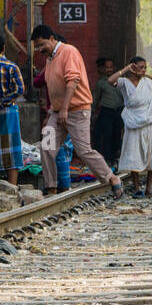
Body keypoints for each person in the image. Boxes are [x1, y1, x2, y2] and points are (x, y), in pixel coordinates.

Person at [31, 25, 125, 198]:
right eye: (37, 47)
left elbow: (72, 81)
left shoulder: (69, 52)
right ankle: (51, 187)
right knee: (47, 146)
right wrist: (55, 111)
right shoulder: (50, 58)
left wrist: (65, 108)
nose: (39, 49)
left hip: (77, 110)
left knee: (83, 151)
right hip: (57, 112)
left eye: (42, 44)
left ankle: (111, 178)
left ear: (52, 39)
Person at [110, 56, 152, 198]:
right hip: (132, 122)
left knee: (151, 155)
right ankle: (137, 188)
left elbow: (151, 103)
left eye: (145, 67)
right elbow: (110, 80)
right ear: (133, 67)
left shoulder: (148, 82)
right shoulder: (124, 83)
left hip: (149, 122)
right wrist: (125, 69)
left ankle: (149, 189)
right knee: (134, 155)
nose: (144, 70)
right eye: (140, 67)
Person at [91, 56, 124, 169]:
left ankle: (115, 158)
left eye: (111, 67)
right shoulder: (101, 83)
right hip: (107, 112)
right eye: (107, 68)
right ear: (103, 69)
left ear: (114, 68)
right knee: (107, 136)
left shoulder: (121, 81)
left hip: (119, 113)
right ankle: (108, 159)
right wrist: (90, 113)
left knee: (117, 136)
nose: (109, 70)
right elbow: (95, 99)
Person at [0, 49, 25, 186]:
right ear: (4, 48)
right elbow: (20, 89)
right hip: (8, 111)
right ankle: (12, 187)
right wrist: (5, 101)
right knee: (11, 149)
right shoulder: (11, 66)